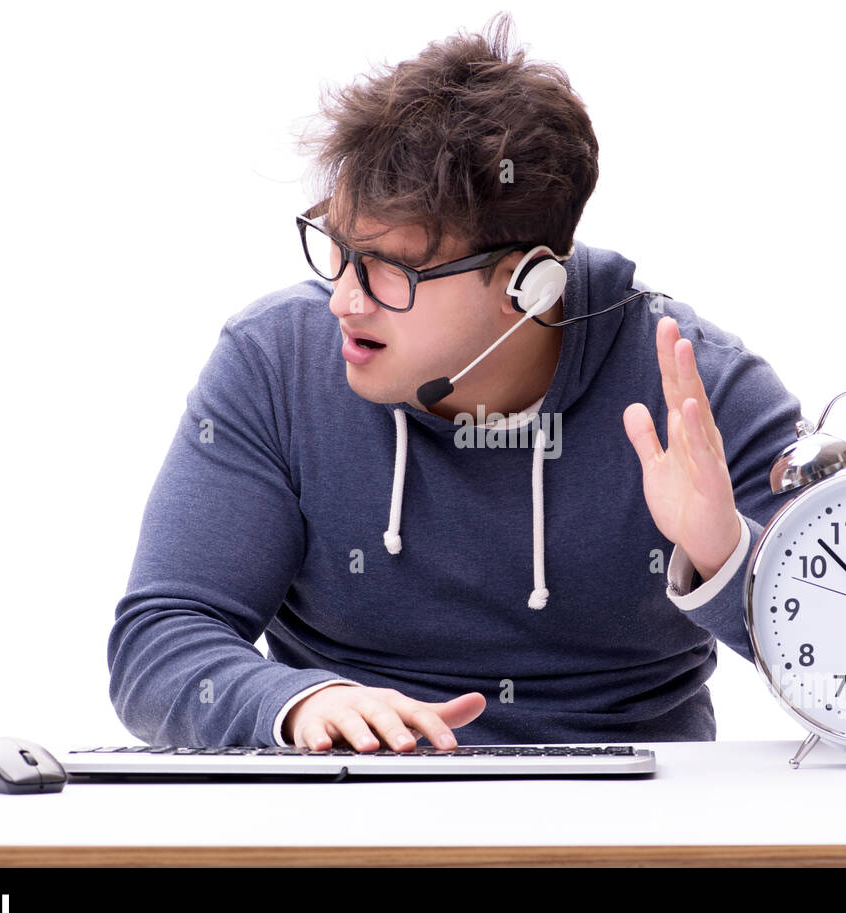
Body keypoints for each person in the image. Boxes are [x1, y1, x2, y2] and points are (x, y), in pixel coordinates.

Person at [107, 13, 805, 750]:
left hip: (631, 833)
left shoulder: (697, 392)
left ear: (526, 286)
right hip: (350, 816)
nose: (344, 298)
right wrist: (300, 702)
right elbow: (160, 642)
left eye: (390, 271)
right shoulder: (274, 366)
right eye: (338, 249)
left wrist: (728, 556)